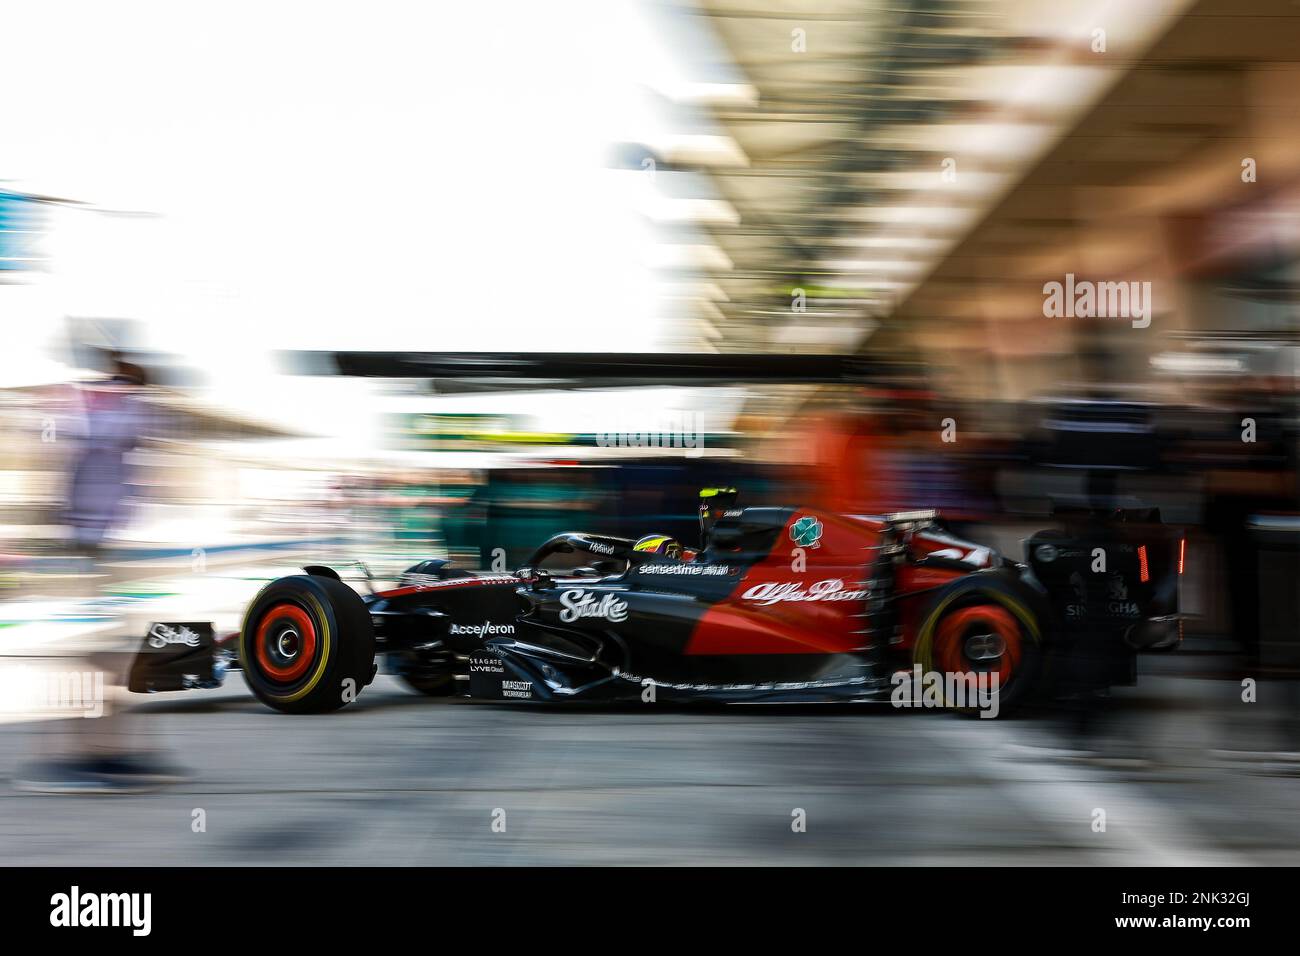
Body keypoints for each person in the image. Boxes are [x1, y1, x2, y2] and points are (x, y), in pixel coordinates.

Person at [15, 353, 186, 794]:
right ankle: (76, 757)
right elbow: (61, 455)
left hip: (103, 546)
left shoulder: (108, 414)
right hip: (83, 547)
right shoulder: (97, 413)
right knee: (95, 655)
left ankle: (106, 752)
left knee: (112, 654)